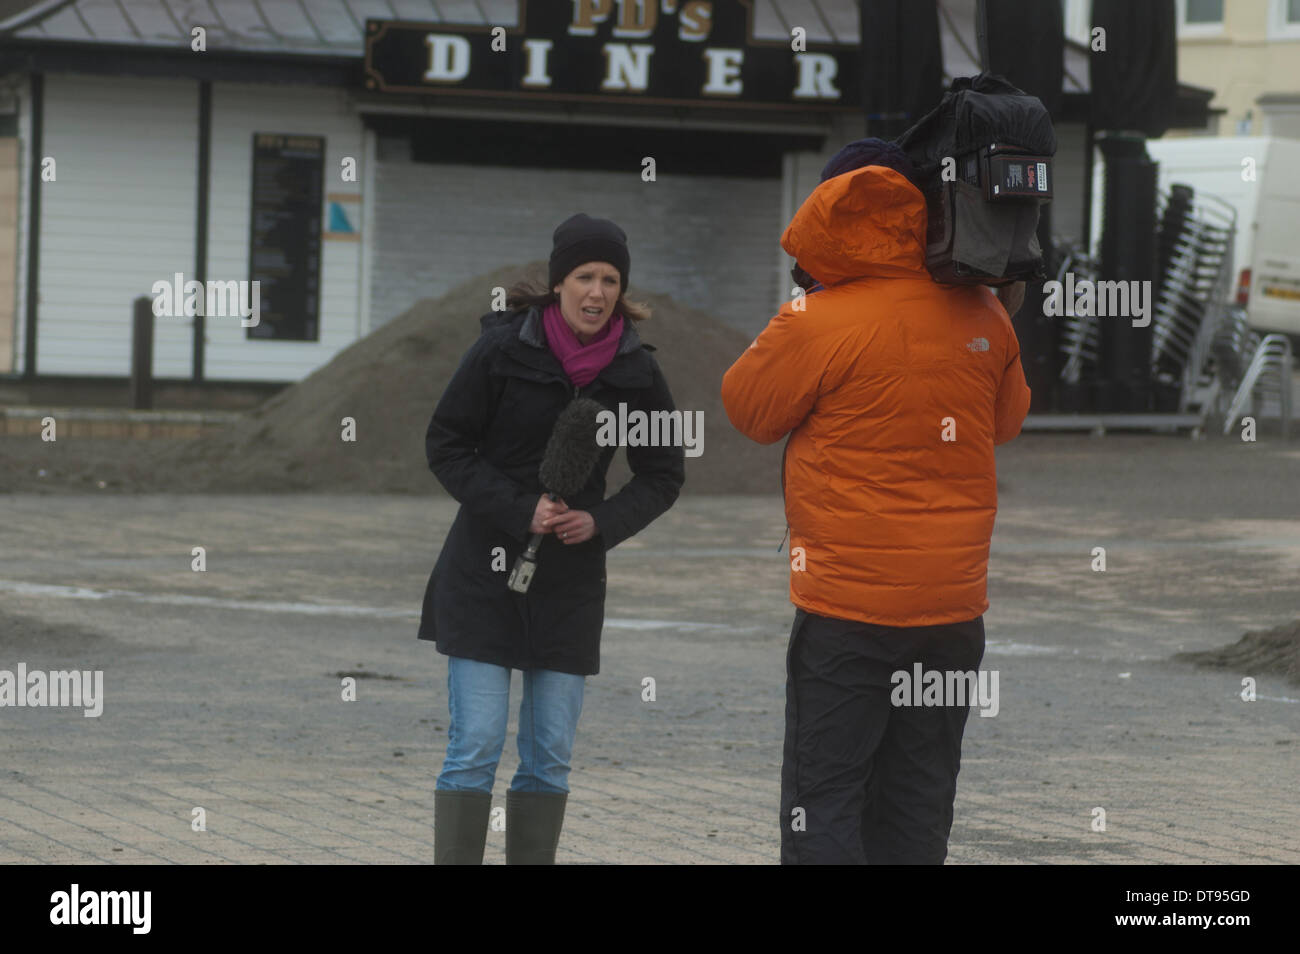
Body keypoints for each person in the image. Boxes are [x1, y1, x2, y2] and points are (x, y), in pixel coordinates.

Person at [721, 138, 1032, 865]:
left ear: (825, 218)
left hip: (849, 614)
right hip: (953, 614)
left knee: (824, 798)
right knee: (918, 797)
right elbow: (1007, 422)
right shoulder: (984, 314)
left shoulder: (818, 320)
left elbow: (748, 409)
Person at [419, 213, 685, 865]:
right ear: (559, 282)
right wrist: (519, 509)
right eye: (585, 277)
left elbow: (663, 474)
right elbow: (446, 446)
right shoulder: (501, 350)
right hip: (482, 572)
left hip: (570, 583)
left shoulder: (636, 374)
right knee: (476, 745)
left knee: (548, 759)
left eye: (611, 280)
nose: (597, 293)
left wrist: (601, 522)